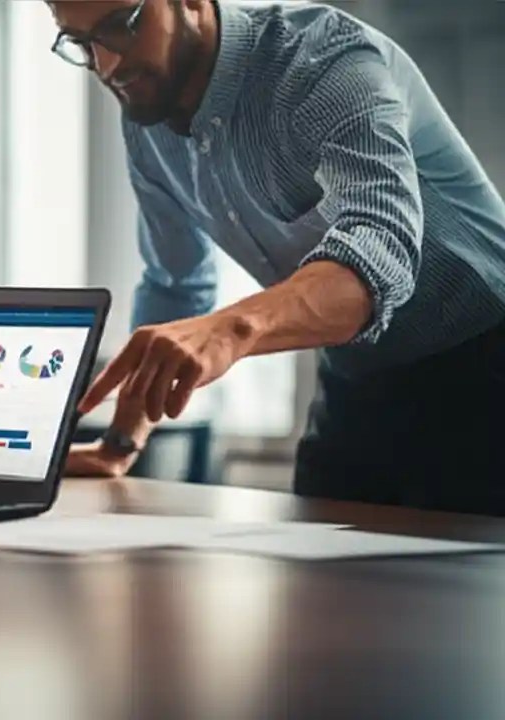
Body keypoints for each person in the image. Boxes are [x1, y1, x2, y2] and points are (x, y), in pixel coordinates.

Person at [51, 0, 505, 514]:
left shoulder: (324, 62)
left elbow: (381, 243)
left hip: (487, 363)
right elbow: (175, 284)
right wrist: (120, 444)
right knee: (319, 583)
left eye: (124, 26)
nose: (107, 65)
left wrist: (231, 330)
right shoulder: (147, 119)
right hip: (355, 376)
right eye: (81, 42)